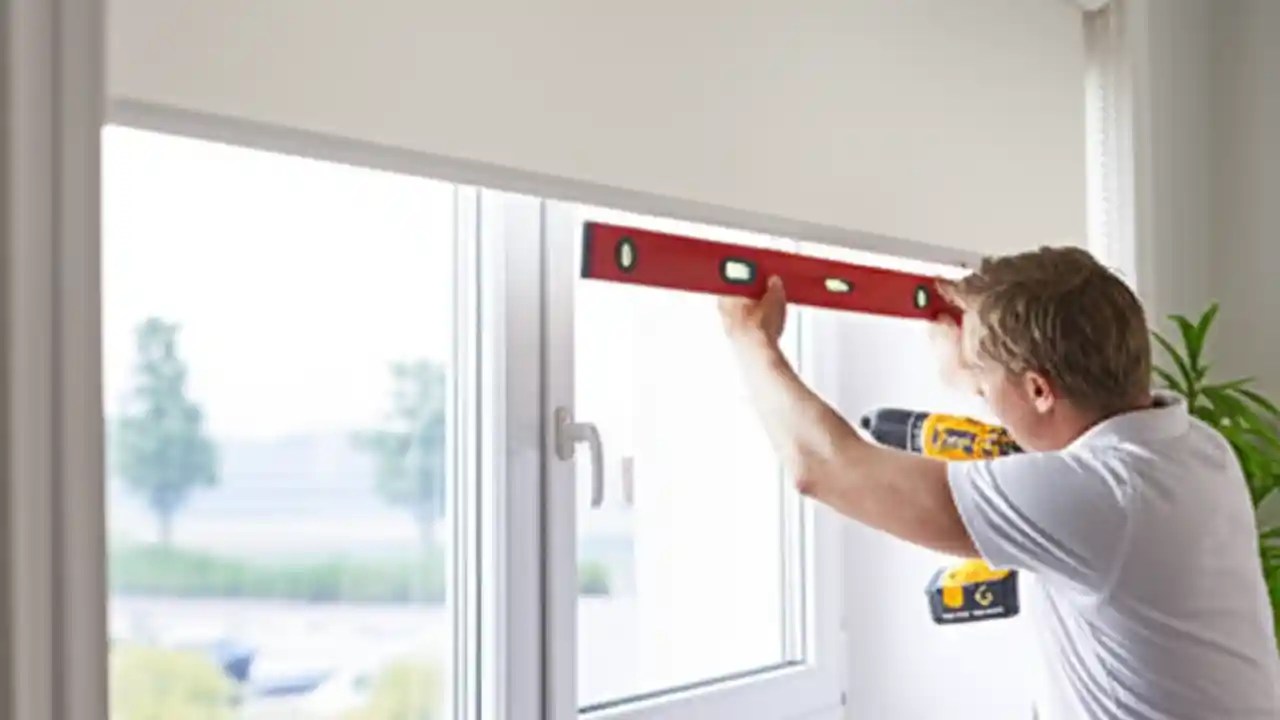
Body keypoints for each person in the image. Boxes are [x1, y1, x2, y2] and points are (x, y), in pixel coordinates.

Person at [717, 246, 1280, 719]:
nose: (981, 394)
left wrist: (752, 343)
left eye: (988, 382)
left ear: (1039, 389)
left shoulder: (1102, 496)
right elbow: (1056, 433)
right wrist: (980, 372)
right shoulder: (1195, 448)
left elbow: (825, 468)